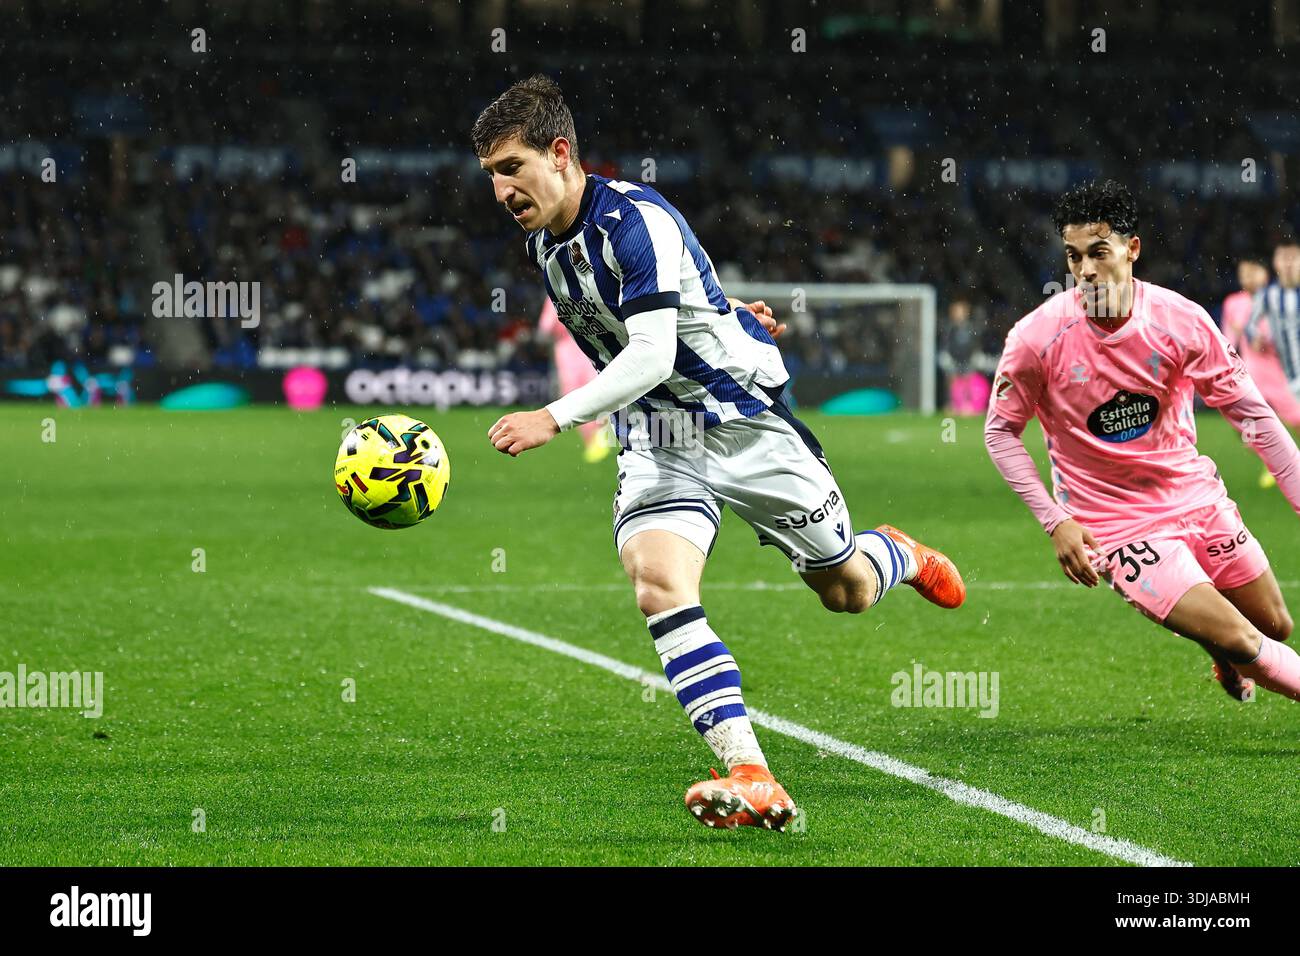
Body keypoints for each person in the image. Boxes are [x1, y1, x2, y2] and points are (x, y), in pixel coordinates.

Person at [473, 75, 965, 831]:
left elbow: (648, 348)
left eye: (511, 167)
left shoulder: (635, 219)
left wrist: (555, 417)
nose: (501, 188)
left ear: (561, 152)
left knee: (847, 591)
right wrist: (728, 312)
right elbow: (661, 311)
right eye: (491, 176)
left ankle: (894, 551)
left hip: (745, 425)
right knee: (658, 584)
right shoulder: (547, 247)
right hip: (660, 438)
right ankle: (751, 771)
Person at [985, 179, 1300, 705]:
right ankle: (1227, 645)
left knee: (1274, 625)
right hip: (1118, 525)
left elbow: (1254, 417)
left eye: (1098, 253)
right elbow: (1000, 432)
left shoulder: (1182, 322)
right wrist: (1056, 520)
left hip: (1196, 498)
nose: (1085, 270)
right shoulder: (1036, 338)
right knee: (1247, 639)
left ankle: (1222, 651)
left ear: (1132, 250)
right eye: (1074, 256)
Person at [1237, 241, 1300, 489]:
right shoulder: (1269, 296)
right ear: (1275, 262)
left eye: (1293, 258)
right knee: (1250, 431)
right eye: (1283, 258)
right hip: (1285, 374)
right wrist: (1256, 338)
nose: (1288, 263)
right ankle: (1282, 464)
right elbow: (1250, 325)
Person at [537, 296, 613, 463]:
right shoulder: (588, 288)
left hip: (568, 352)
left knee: (574, 395)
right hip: (591, 347)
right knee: (597, 391)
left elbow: (546, 327)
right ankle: (600, 434)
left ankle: (594, 438)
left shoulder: (554, 293)